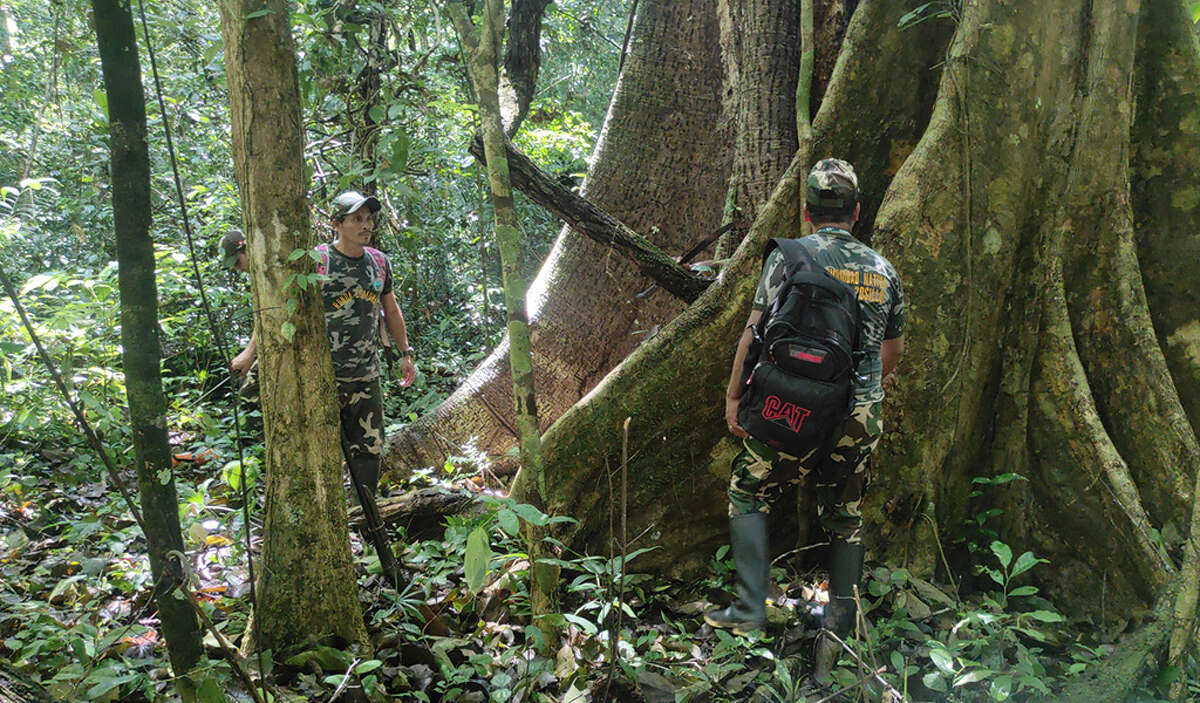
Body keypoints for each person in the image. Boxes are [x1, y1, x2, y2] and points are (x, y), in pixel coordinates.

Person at [705, 159, 905, 672]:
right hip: (857, 417)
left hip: (786, 406)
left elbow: (754, 335)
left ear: (807, 211)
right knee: (845, 515)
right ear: (857, 212)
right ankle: (841, 626)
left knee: (749, 491)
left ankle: (750, 608)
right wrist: (859, 394)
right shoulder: (883, 271)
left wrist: (734, 399)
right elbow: (890, 355)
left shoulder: (787, 259)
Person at [317, 190, 416, 501]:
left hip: (366, 376)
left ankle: (365, 514)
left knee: (369, 448)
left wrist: (406, 352)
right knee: (324, 452)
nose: (366, 225)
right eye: (356, 219)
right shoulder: (320, 261)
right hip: (324, 378)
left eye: (369, 219)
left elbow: (391, 309)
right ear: (336, 224)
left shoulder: (378, 262)